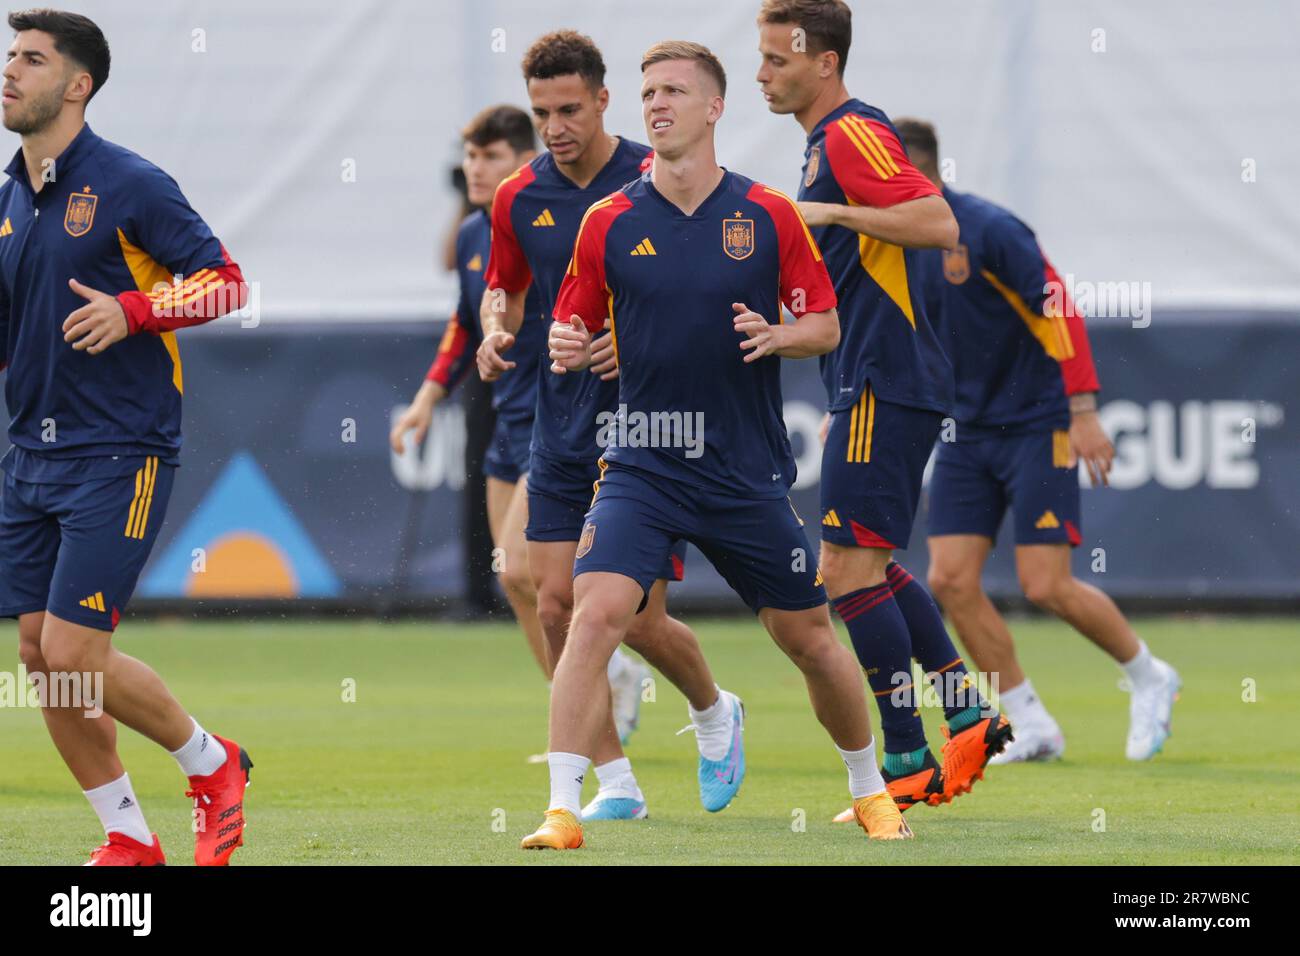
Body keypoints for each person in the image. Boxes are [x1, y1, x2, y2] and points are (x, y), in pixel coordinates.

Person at [522, 40, 911, 851]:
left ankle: (872, 790)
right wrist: (568, 344)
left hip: (742, 467)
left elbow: (825, 324)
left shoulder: (767, 213)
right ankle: (562, 807)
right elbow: (575, 322)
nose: (657, 105)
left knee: (808, 638)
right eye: (648, 92)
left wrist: (781, 334)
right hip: (641, 459)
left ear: (713, 108)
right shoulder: (609, 219)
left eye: (673, 91)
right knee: (592, 617)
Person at [0, 9, 250, 865]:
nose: (9, 69)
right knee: (41, 656)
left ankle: (213, 764)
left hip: (119, 450)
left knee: (75, 649)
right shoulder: (8, 197)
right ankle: (128, 837)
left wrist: (135, 310)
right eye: (9, 55)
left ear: (77, 85)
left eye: (30, 59)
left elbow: (226, 283)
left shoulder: (131, 183)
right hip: (27, 454)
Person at [755, 0, 1011, 820]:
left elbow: (937, 220)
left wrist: (832, 212)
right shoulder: (818, 144)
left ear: (823, 61)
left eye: (775, 59)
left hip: (884, 375)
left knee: (843, 572)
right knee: (861, 562)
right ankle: (962, 704)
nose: (763, 73)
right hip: (869, 378)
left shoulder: (849, 133)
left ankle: (906, 754)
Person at [476, 32, 741, 820]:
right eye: (541, 112)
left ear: (602, 101)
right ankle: (616, 781)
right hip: (559, 421)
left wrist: (633, 337)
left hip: (649, 427)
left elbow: (708, 291)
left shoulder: (654, 178)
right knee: (546, 597)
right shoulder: (517, 197)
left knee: (637, 617)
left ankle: (713, 709)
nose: (555, 126)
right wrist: (497, 329)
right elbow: (506, 288)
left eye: (568, 109)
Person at [897, 117, 1181, 763]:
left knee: (1045, 584)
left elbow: (1058, 306)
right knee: (951, 581)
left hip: (1037, 422)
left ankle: (1148, 674)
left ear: (915, 169)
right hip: (965, 432)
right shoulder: (892, 239)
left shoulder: (991, 229)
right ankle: (1030, 722)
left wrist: (1082, 409)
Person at [391, 104, 552, 673]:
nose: (476, 168)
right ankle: (582, 706)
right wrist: (428, 397)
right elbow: (464, 321)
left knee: (523, 571)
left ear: (525, 162)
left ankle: (602, 698)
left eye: (491, 157)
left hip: (560, 421)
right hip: (509, 420)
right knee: (517, 581)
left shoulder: (550, 222)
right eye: (471, 156)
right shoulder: (469, 235)